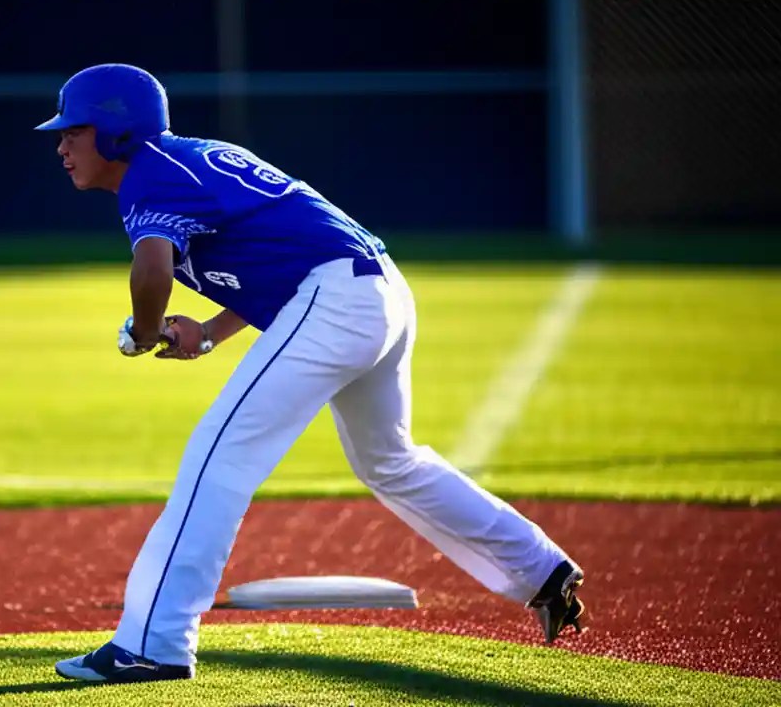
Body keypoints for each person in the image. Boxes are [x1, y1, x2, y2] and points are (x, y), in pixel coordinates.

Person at [38, 64, 586, 684]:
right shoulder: (187, 160)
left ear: (116, 132)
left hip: (337, 298)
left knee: (220, 456)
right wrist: (210, 332)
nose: (61, 146)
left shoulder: (149, 174)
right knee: (390, 461)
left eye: (74, 131)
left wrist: (144, 331)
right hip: (375, 290)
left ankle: (153, 644)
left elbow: (153, 272)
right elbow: (284, 262)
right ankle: (541, 569)